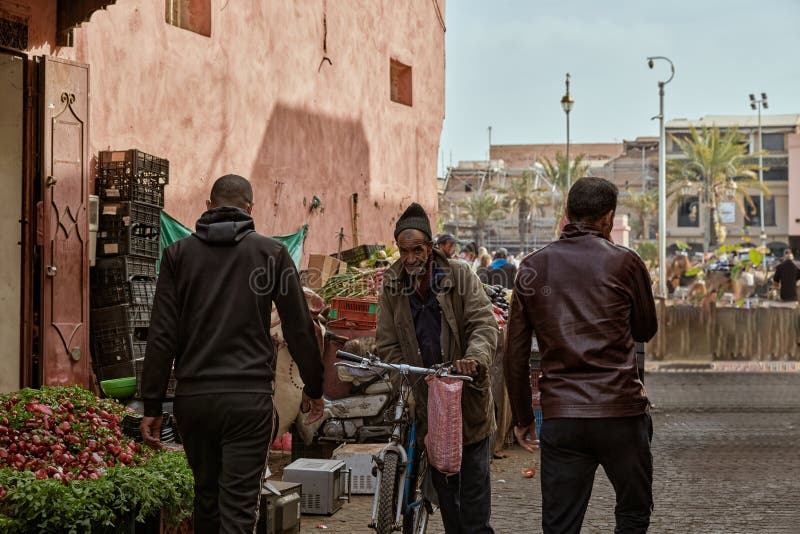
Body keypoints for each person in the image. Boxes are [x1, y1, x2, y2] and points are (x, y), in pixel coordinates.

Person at [140, 174, 325, 534]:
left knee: (206, 503)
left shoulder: (177, 255)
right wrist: (314, 388)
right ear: (250, 209)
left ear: (208, 207)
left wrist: (152, 404)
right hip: (247, 402)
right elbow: (299, 329)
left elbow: (162, 335)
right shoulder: (271, 253)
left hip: (193, 402)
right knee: (239, 512)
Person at [504, 177, 658, 534]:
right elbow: (645, 330)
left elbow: (514, 352)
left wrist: (524, 416)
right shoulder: (626, 263)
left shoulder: (531, 267)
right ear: (608, 218)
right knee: (633, 513)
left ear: (567, 213)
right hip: (621, 411)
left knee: (560, 524)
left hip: (562, 416)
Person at [376, 203, 498, 533]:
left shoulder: (459, 274)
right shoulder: (391, 282)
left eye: (418, 250)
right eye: (404, 251)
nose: (411, 258)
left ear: (430, 247)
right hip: (428, 404)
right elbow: (386, 344)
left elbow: (484, 325)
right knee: (449, 504)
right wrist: (402, 385)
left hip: (466, 401)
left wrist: (474, 359)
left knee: (474, 507)